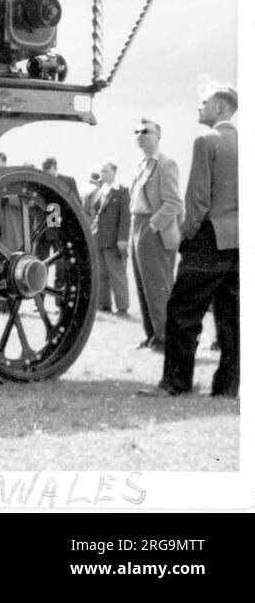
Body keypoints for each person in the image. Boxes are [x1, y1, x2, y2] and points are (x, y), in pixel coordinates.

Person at [141, 84, 239, 397]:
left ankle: (175, 384)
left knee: (182, 312)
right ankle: (227, 388)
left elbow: (197, 197)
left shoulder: (205, 140)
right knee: (232, 318)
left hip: (208, 237)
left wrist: (187, 235)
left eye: (204, 102)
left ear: (221, 108)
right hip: (240, 240)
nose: (199, 107)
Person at [126, 118, 183, 353]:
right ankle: (151, 336)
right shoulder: (141, 163)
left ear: (158, 136)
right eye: (137, 131)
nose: (140, 135)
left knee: (158, 287)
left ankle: (164, 339)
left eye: (146, 131)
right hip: (136, 224)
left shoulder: (165, 163)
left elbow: (174, 203)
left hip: (153, 228)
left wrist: (153, 225)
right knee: (143, 285)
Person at [88, 161, 130, 315]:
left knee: (117, 274)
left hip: (114, 240)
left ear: (114, 172)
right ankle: (104, 305)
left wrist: (123, 239)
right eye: (101, 171)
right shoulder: (100, 191)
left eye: (105, 171)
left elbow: (125, 217)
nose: (102, 174)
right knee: (102, 273)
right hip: (99, 238)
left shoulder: (122, 191)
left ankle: (122, 306)